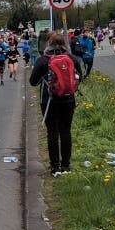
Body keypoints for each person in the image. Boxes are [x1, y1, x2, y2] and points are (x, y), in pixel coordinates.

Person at [29, 32, 83, 177]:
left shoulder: (42, 60)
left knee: (52, 132)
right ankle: (66, 166)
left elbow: (33, 82)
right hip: (68, 99)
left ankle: (54, 167)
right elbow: (80, 77)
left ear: (49, 43)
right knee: (66, 131)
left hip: (49, 101)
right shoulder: (71, 58)